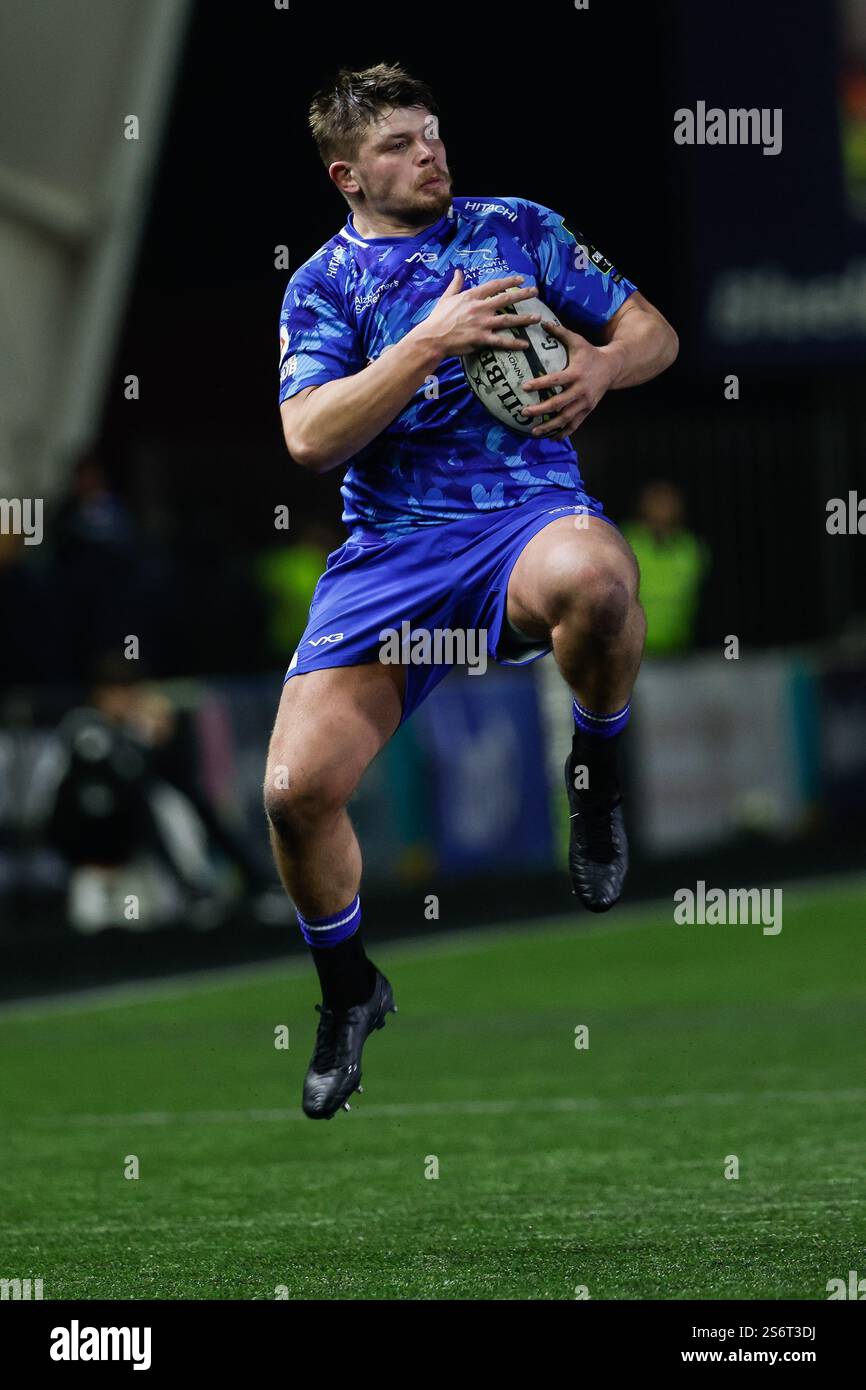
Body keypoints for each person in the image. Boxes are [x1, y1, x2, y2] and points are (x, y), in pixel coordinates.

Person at [263, 64, 678, 1119]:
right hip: (392, 553)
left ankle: (591, 768)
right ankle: (349, 989)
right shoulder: (322, 286)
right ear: (345, 173)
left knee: (594, 576)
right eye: (400, 144)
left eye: (433, 132)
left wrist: (598, 369)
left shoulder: (516, 229)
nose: (430, 152)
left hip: (521, 519)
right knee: (294, 792)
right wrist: (426, 343)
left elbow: (651, 334)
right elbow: (309, 437)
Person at [621, 481, 710, 655]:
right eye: (656, 504)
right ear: (643, 508)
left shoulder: (692, 550)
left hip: (679, 652)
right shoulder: (624, 542)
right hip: (632, 654)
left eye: (668, 505)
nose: (662, 511)